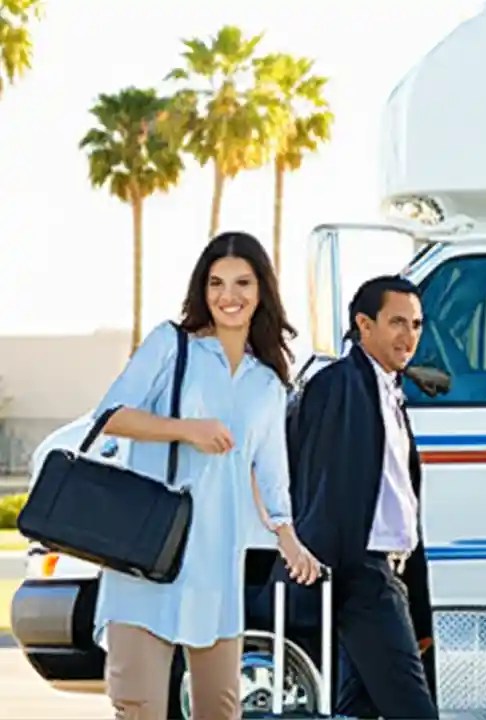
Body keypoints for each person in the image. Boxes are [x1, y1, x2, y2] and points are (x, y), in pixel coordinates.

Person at [92, 231, 322, 720]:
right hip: (146, 555)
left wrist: (288, 536)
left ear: (262, 291)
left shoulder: (267, 381)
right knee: (141, 709)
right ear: (203, 288)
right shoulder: (170, 346)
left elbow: (271, 467)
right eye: (216, 282)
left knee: (221, 709)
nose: (228, 296)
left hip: (216, 562)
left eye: (242, 282)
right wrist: (186, 430)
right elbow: (110, 415)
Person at [286, 275, 439, 719]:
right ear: (364, 324)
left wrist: (418, 605)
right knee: (414, 711)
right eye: (396, 322)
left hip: (389, 575)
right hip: (362, 578)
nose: (408, 336)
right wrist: (324, 587)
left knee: (357, 709)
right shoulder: (339, 385)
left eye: (415, 324)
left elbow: (403, 504)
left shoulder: (391, 392)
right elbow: (318, 486)